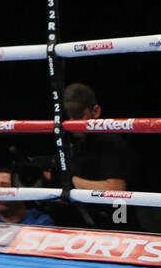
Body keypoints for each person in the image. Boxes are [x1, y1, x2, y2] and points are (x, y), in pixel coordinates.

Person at [58, 83, 137, 229]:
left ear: (96, 111)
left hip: (117, 220)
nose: (74, 123)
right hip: (87, 222)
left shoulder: (111, 141)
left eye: (79, 116)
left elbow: (115, 190)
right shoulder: (75, 143)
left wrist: (68, 180)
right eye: (69, 117)